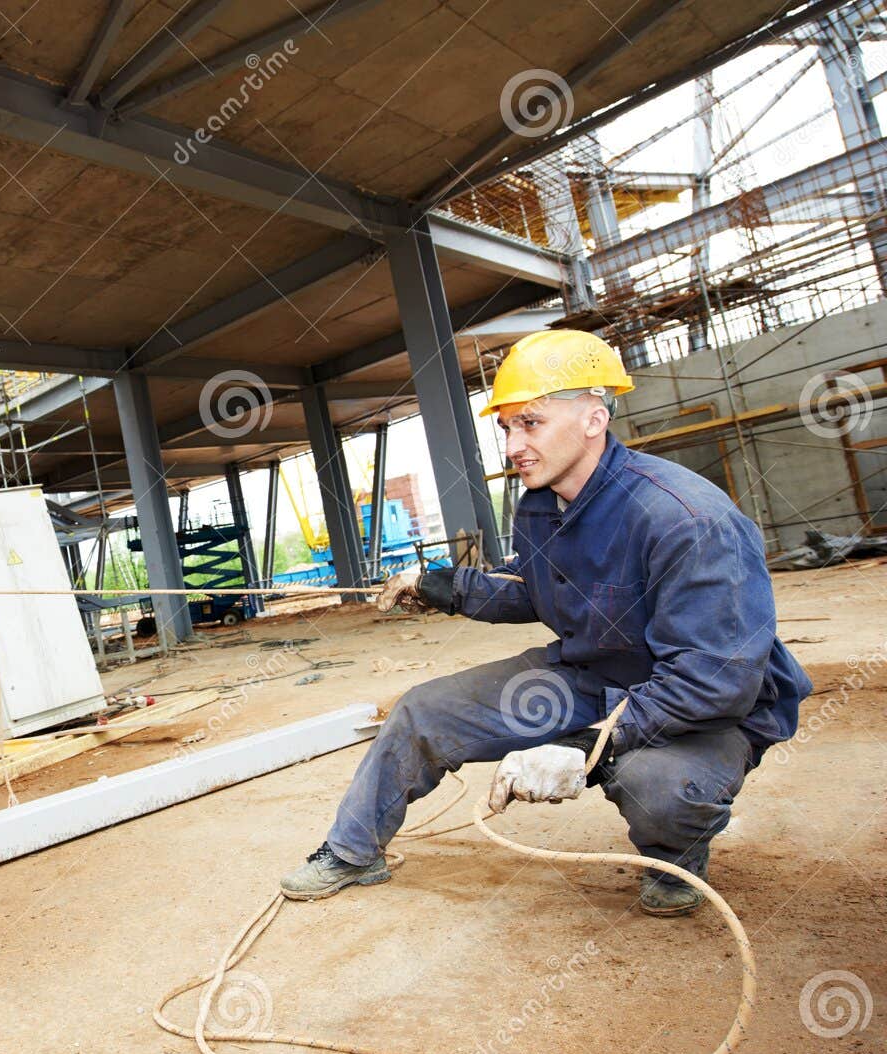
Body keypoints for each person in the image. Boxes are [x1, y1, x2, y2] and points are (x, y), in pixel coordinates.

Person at [281, 330, 812, 916]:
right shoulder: (541, 501)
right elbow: (535, 588)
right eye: (506, 427)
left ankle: (675, 856)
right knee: (422, 711)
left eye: (529, 423)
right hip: (590, 673)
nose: (513, 445)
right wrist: (442, 587)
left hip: (697, 702)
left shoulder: (686, 519)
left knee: (656, 786)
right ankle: (353, 852)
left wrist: (586, 746)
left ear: (593, 419)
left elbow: (716, 678)